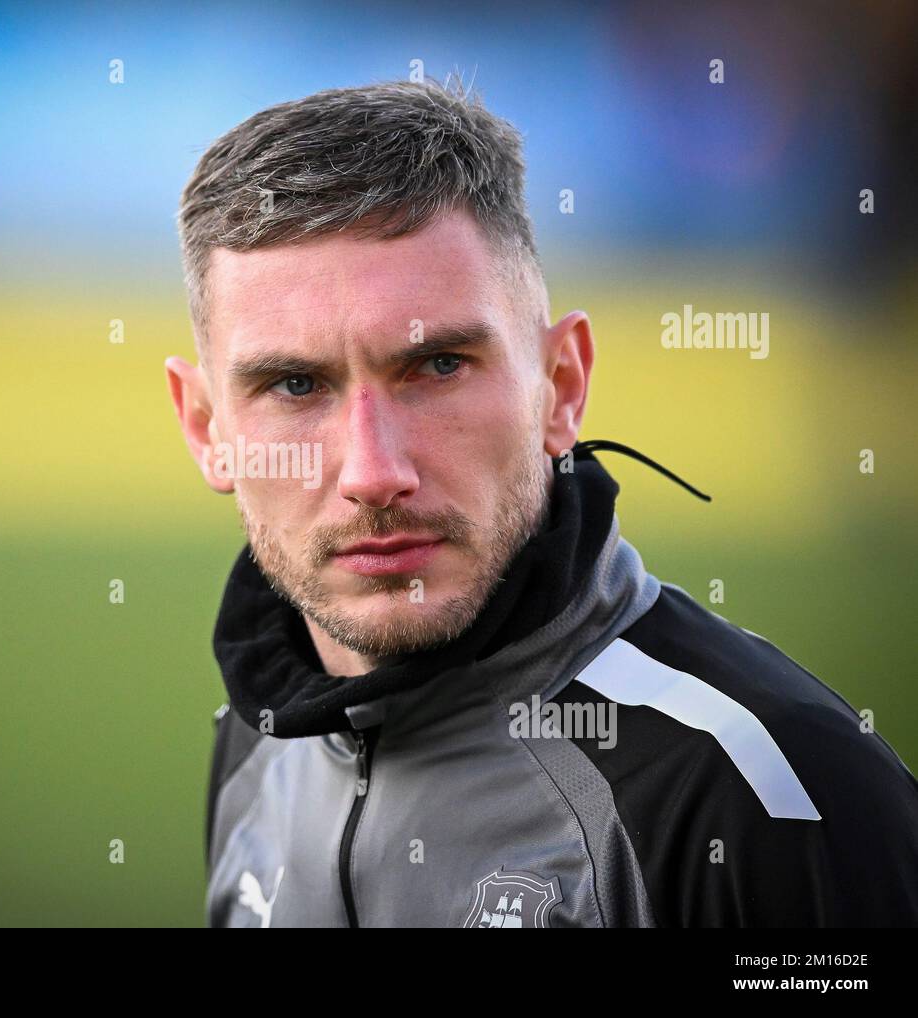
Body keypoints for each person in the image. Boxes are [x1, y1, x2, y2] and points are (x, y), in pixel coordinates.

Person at [164, 78, 918, 927]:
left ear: (561, 386)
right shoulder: (255, 747)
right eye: (294, 384)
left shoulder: (769, 794)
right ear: (206, 429)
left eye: (439, 366)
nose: (373, 474)